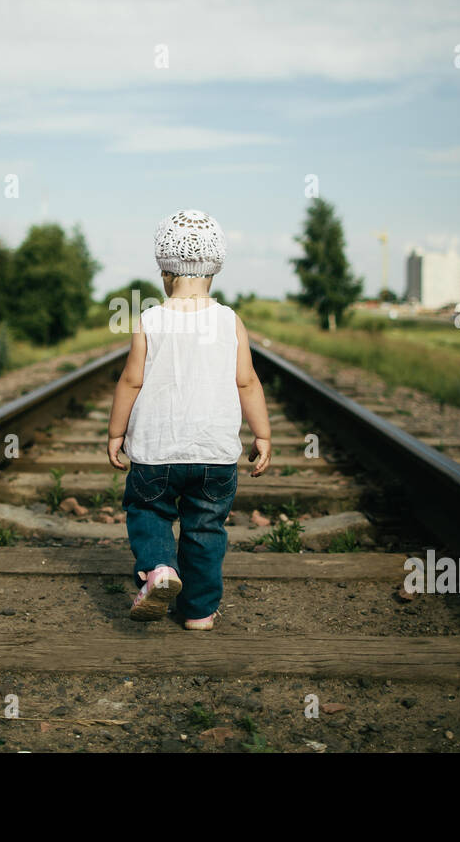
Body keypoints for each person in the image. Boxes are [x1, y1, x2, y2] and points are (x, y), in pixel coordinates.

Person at [106, 209, 272, 630]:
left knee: (149, 511)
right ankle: (198, 611)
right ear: (214, 269)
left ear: (164, 270)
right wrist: (263, 435)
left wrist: (116, 432)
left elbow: (130, 380)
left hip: (156, 454)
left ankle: (160, 570)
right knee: (205, 530)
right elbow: (247, 381)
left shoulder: (149, 320)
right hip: (214, 456)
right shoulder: (230, 320)